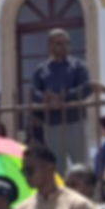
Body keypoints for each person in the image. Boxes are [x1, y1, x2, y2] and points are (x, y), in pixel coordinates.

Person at [32, 28, 92, 174]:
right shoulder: (41, 70)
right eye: (59, 43)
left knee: (81, 165)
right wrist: (45, 98)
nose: (64, 46)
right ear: (50, 45)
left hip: (75, 121)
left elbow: (86, 88)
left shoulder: (78, 66)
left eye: (66, 43)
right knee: (56, 167)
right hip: (52, 124)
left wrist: (63, 97)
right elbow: (34, 92)